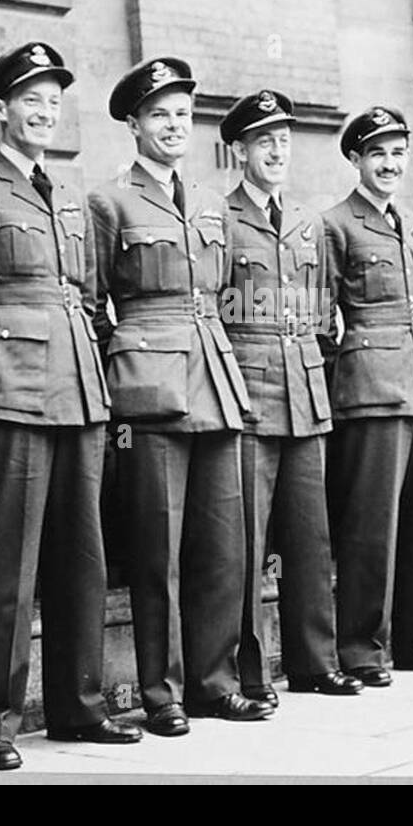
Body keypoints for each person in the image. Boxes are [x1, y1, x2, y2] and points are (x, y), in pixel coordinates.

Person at [0, 44, 142, 769]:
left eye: (54, 98)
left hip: (78, 389)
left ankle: (78, 709)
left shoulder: (71, 195)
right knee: (2, 567)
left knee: (81, 560)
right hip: (7, 395)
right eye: (31, 98)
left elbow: (86, 295)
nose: (45, 110)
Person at [87, 57, 272, 735]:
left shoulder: (208, 204)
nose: (173, 125)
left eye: (182, 114)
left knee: (221, 542)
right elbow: (88, 297)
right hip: (150, 385)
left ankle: (213, 682)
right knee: (157, 548)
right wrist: (132, 351)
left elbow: (218, 291)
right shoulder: (109, 202)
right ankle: (160, 690)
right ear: (134, 124)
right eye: (160, 113)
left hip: (215, 376)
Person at [219, 90, 362, 701]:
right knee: (247, 541)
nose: (276, 151)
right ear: (239, 151)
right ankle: (250, 672)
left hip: (306, 387)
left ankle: (314, 661)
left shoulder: (309, 223)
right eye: (263, 141)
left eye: (284, 141)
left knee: (312, 535)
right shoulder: (218, 218)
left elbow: (324, 306)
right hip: (250, 390)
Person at [322, 106, 413, 685]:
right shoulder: (335, 224)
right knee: (371, 524)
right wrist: (344, 381)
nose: (389, 163)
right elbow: (319, 316)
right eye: (377, 153)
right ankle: (361, 648)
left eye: (396, 153)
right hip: (371, 386)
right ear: (356, 160)